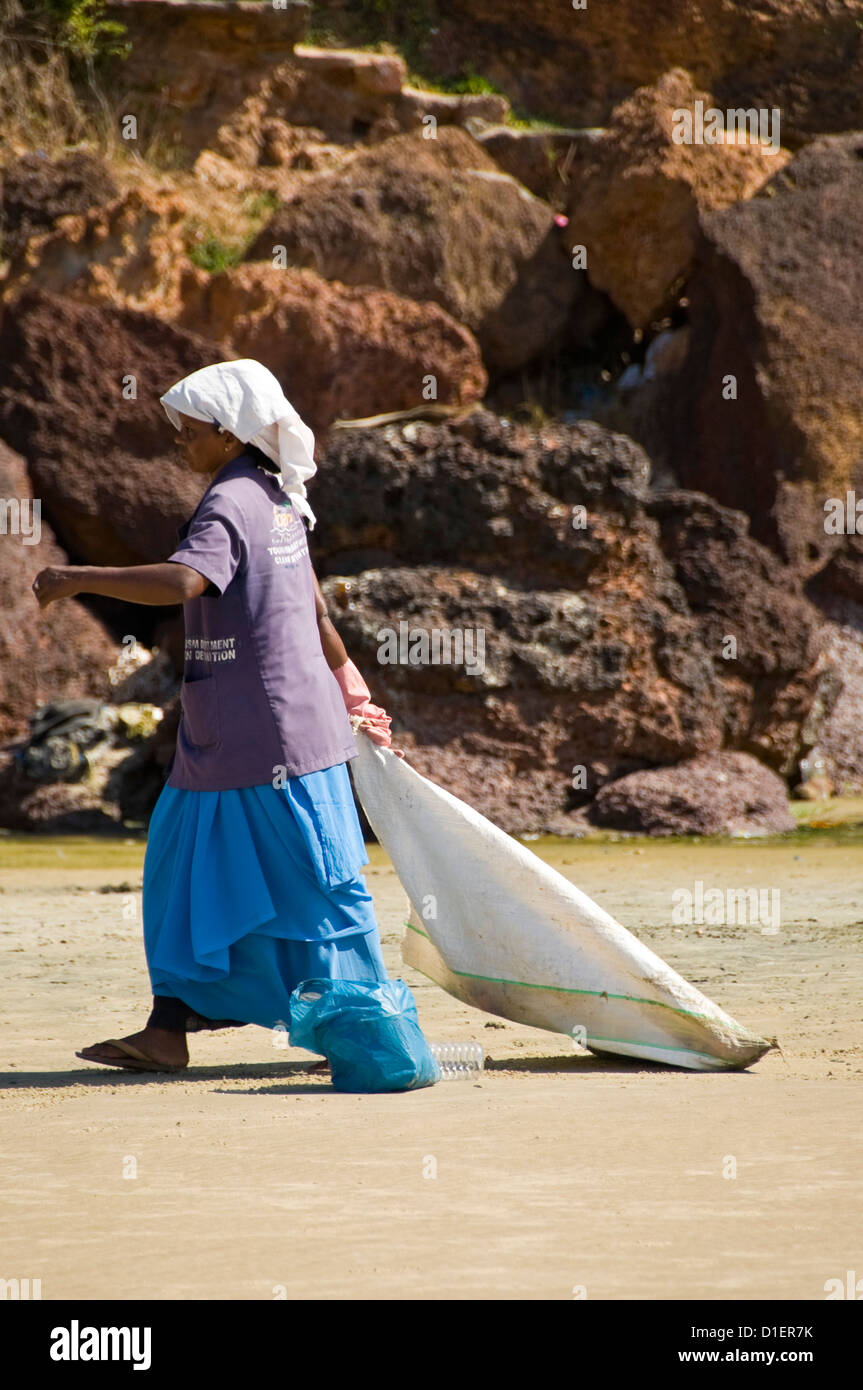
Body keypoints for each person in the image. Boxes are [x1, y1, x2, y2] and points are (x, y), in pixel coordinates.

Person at [32, 359, 404, 1073]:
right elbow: (315, 615)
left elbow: (185, 579)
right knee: (187, 867)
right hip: (242, 736)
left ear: (228, 436)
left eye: (189, 432)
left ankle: (364, 1030)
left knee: (314, 888)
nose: (180, 444)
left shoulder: (231, 502)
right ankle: (168, 1026)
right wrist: (351, 689)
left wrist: (77, 577)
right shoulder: (277, 499)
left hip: (268, 740)